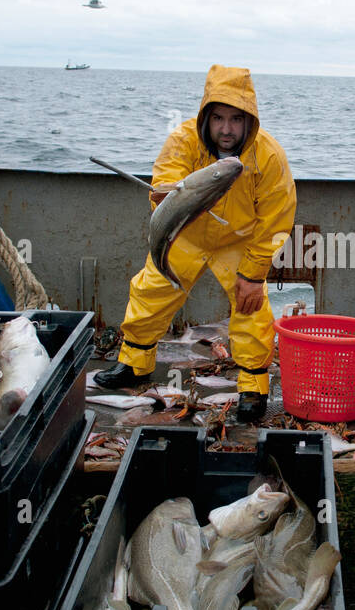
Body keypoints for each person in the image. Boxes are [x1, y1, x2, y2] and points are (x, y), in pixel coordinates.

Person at [94, 65, 296, 422]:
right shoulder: (184, 138)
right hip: (186, 233)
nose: (226, 128)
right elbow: (167, 175)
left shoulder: (269, 155)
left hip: (238, 240)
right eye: (218, 117)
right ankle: (135, 364)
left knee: (251, 307)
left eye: (236, 118)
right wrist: (165, 195)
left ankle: (253, 386)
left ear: (250, 118)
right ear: (206, 115)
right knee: (151, 291)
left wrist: (253, 272)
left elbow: (275, 219)